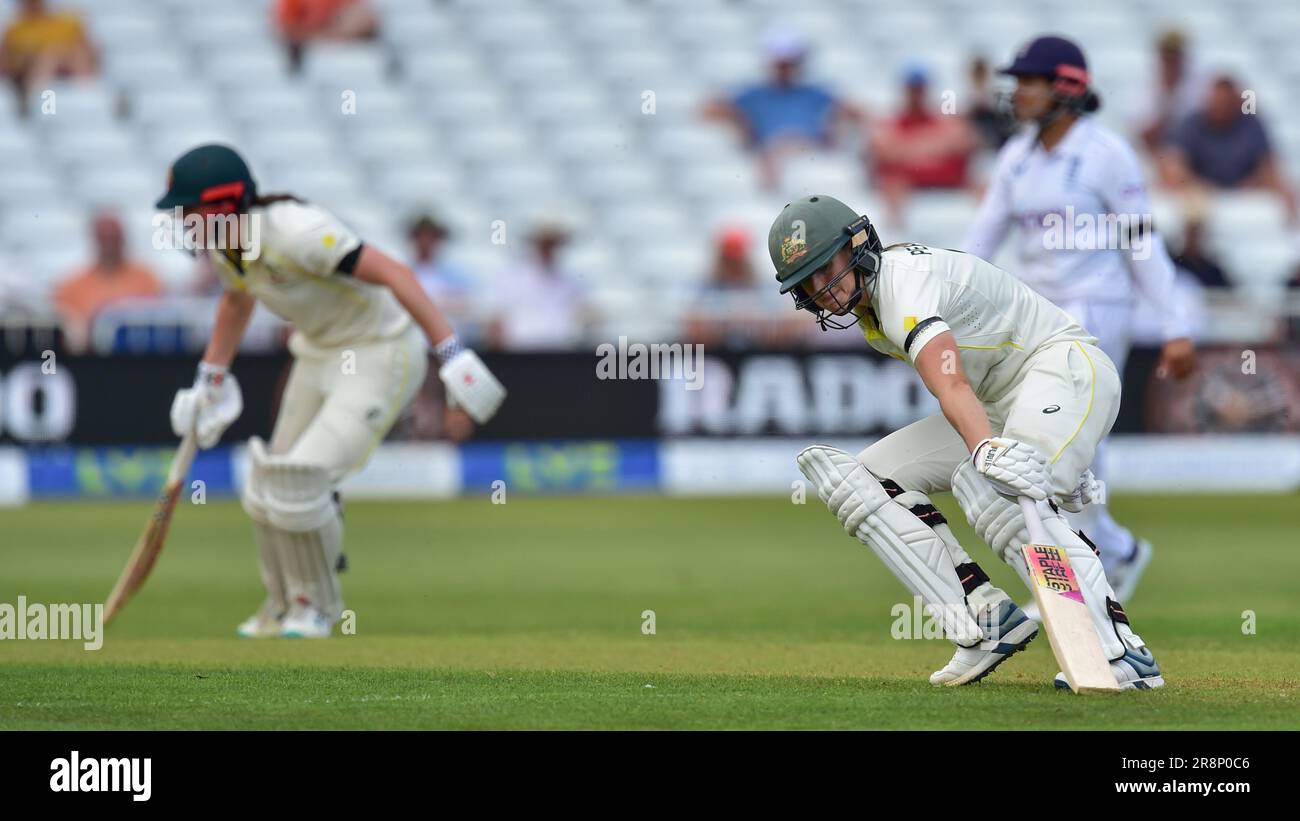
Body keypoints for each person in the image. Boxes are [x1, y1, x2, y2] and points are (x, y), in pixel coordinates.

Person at [771, 193, 1163, 690]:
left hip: (1062, 367)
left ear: (857, 246)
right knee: (864, 482)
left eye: (825, 269)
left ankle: (1122, 652)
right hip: (1006, 401)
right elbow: (964, 383)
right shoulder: (874, 311)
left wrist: (990, 449)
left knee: (997, 486)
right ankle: (983, 620)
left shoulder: (902, 289)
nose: (821, 289)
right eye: (806, 282)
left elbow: (951, 382)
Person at [158, 144, 505, 639]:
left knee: (302, 481)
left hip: (381, 351)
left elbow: (394, 273)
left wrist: (450, 352)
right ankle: (280, 606)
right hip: (319, 353)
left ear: (221, 206)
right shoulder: (227, 246)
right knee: (265, 486)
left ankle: (317, 607)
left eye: (187, 211)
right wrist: (208, 381)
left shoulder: (297, 232)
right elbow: (236, 304)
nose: (181, 223)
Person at [961, 36, 1197, 604]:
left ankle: (1086, 582)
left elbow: (1141, 243)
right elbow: (980, 241)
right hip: (1034, 317)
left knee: (1070, 444)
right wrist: (941, 297)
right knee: (1040, 442)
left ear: (1065, 88)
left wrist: (1175, 325)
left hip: (1095, 309)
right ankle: (1113, 553)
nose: (1017, 93)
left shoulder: (1106, 154)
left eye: (1029, 82)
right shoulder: (1016, 156)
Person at [702, 27, 864, 190]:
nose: (785, 69)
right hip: (768, 158)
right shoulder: (753, 94)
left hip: (810, 157)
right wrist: (739, 121)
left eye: (790, 63)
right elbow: (709, 110)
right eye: (781, 63)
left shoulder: (815, 93)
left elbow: (856, 111)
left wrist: (837, 122)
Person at [1158, 73, 1298, 220]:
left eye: (1226, 103)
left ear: (1236, 102)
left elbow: (1268, 166)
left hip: (1245, 192)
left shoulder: (1251, 124)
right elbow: (1173, 167)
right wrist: (1198, 184)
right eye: (1218, 102)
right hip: (1200, 192)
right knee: (1193, 207)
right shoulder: (1192, 123)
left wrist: (1254, 183)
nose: (1221, 107)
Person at [867, 63, 979, 225]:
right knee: (891, 185)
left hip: (944, 178)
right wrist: (935, 145)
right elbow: (882, 150)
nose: (916, 94)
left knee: (985, 184)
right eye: (912, 89)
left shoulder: (941, 118)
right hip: (909, 181)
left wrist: (908, 147)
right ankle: (896, 237)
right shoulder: (893, 121)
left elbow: (964, 141)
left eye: (919, 89)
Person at [54, 211, 162, 352]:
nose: (109, 245)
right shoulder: (72, 285)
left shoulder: (147, 279)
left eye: (113, 238)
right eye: (104, 238)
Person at [486, 219, 589, 351]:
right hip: (520, 354)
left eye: (552, 243)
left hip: (558, 352)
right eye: (544, 243)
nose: (548, 249)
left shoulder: (569, 281)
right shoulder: (512, 277)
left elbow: (580, 315)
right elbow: (496, 319)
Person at [0, 0, 96, 112]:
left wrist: (59, 55)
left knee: (74, 53)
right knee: (48, 58)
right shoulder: (13, 30)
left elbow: (89, 56)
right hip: (31, 80)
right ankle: (42, 105)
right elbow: (8, 68)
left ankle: (86, 102)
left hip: (71, 74)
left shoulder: (69, 22)